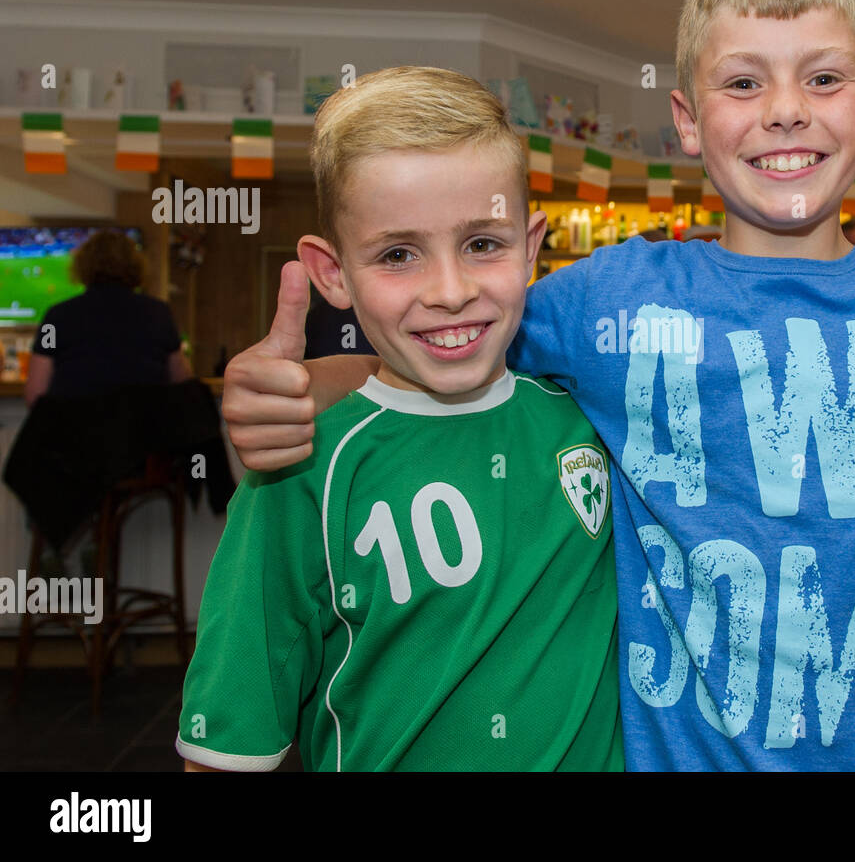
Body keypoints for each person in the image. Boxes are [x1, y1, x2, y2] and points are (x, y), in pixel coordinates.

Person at [219, 0, 855, 771]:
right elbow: (438, 355)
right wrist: (292, 393)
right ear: (687, 121)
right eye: (742, 84)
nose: (783, 111)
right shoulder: (608, 299)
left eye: (823, 78)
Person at [176, 67, 622, 771]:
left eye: (483, 243)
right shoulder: (298, 475)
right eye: (397, 254)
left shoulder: (593, 417)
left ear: (530, 248)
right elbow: (224, 749)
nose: (451, 291)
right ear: (333, 274)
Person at [24, 230, 192, 406]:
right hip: (143, 428)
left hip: (75, 429)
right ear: (136, 265)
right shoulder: (159, 314)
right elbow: (183, 382)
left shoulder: (55, 317)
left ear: (83, 265)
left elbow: (35, 393)